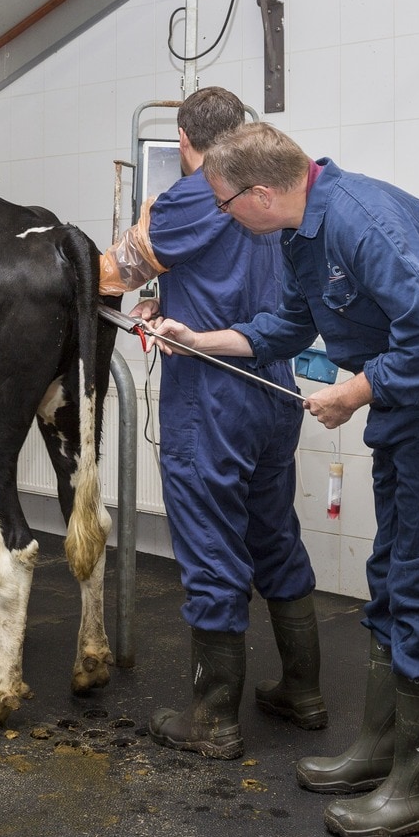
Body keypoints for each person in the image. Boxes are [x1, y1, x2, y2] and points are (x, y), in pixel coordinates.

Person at [145, 122, 419, 837]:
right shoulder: (298, 235)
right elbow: (282, 327)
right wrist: (197, 337)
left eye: (224, 204)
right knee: (391, 573)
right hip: (413, 406)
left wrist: (354, 392)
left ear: (259, 193)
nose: (223, 215)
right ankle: (380, 749)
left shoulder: (358, 219)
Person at [98, 88, 324, 762]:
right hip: (274, 385)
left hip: (210, 398)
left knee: (212, 548)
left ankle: (214, 717)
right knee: (275, 535)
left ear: (185, 142)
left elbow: (119, 269)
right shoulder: (273, 189)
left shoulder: (196, 196)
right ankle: (303, 689)